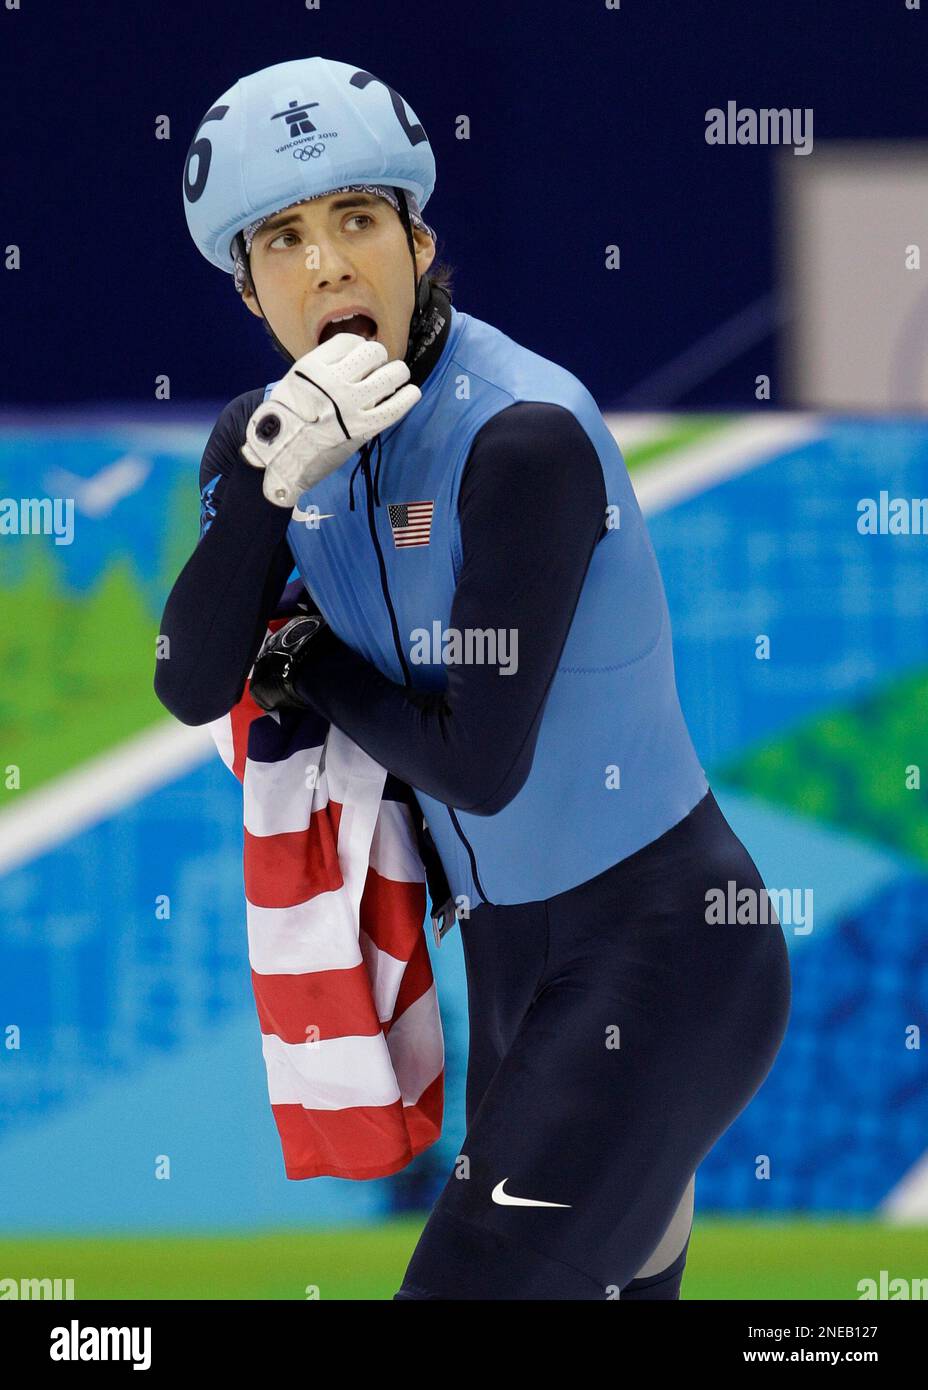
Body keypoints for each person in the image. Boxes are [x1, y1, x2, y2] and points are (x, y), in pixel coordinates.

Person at [157, 55, 791, 1300]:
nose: (329, 263)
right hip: (512, 964)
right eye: (283, 239)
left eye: (356, 219)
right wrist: (266, 490)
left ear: (420, 241)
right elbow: (188, 680)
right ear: (251, 293)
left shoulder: (520, 435)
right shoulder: (264, 436)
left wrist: (303, 660)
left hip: (663, 953)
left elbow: (478, 766)